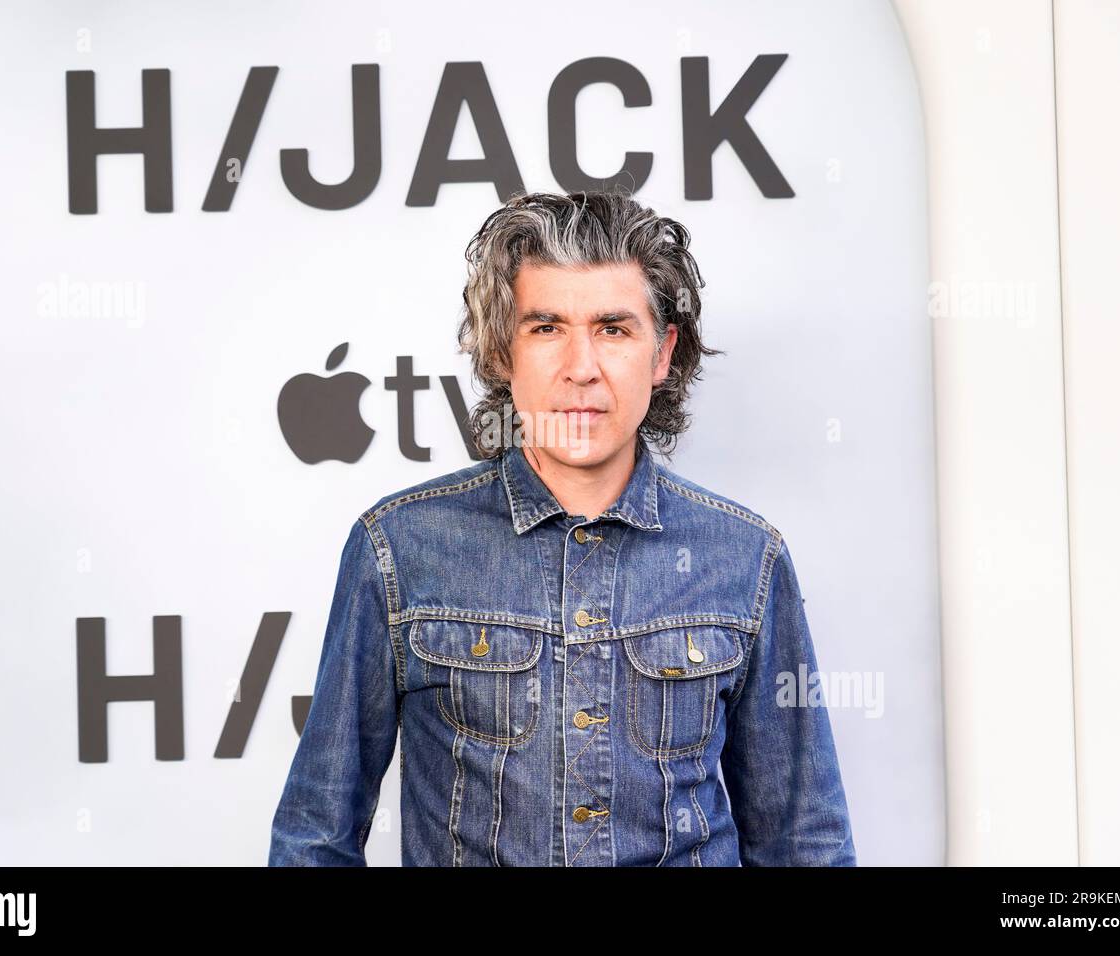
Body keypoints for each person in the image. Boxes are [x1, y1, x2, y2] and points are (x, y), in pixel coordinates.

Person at [267, 189, 856, 866]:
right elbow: (316, 834)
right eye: (546, 328)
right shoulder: (399, 549)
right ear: (502, 354)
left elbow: (803, 840)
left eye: (613, 328)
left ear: (662, 353)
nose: (581, 367)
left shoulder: (746, 558)